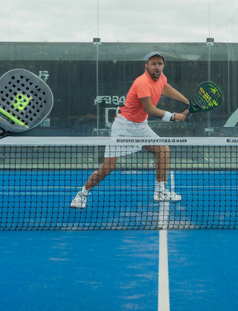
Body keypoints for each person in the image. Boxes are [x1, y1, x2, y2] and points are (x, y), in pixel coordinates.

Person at [71, 51, 189, 209]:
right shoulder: (142, 82)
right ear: (146, 66)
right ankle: (82, 194)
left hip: (141, 126)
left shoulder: (161, 78)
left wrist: (186, 100)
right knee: (108, 167)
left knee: (163, 150)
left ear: (163, 66)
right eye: (153, 64)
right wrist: (174, 116)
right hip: (124, 127)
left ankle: (160, 191)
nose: (157, 67)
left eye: (159, 64)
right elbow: (150, 109)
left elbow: (165, 87)